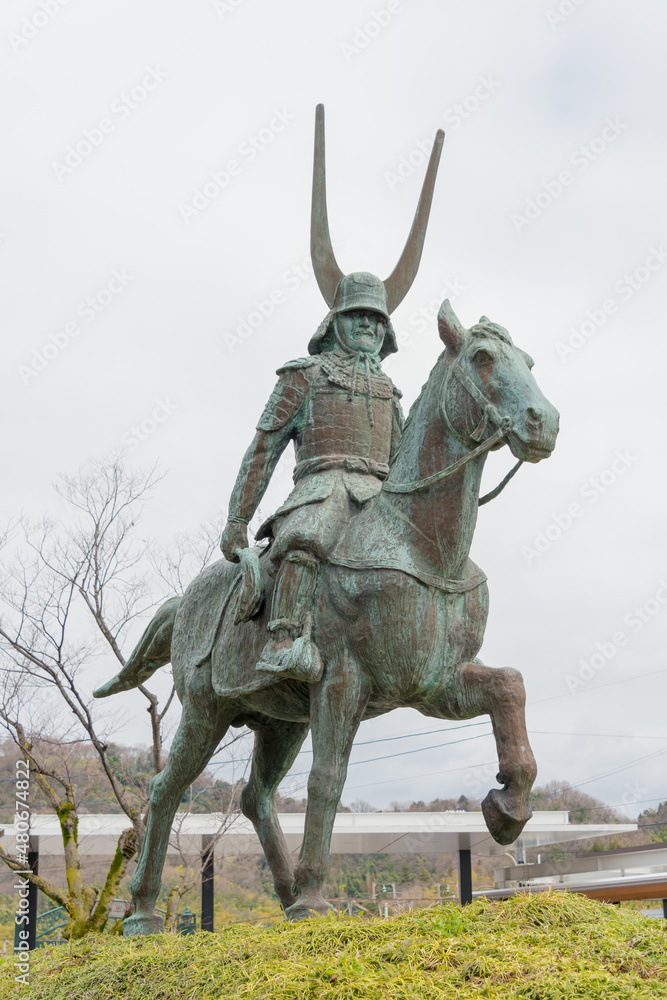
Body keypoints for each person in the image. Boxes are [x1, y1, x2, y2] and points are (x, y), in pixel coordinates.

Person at [220, 271, 404, 682]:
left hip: (378, 495)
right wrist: (237, 518)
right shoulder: (305, 375)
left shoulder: (389, 391)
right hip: (321, 487)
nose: (367, 325)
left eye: (375, 318)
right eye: (356, 314)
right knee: (308, 534)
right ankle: (282, 639)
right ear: (334, 321)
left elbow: (403, 459)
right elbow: (264, 450)